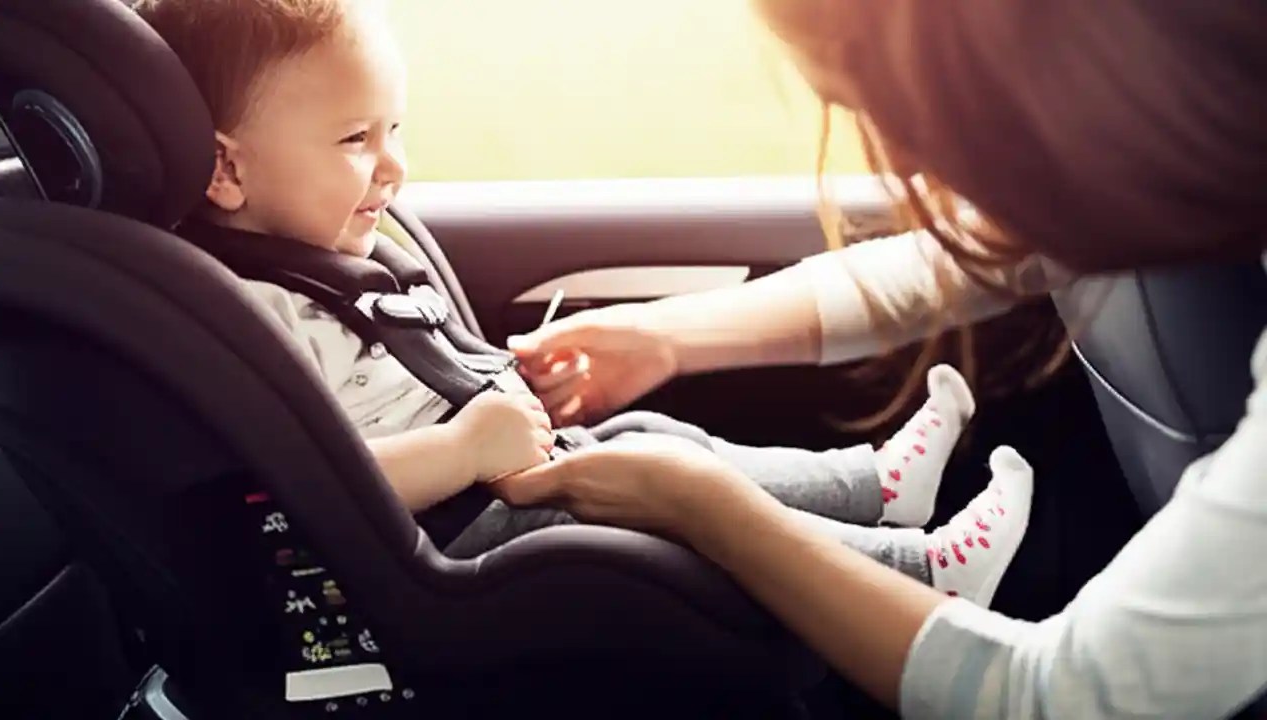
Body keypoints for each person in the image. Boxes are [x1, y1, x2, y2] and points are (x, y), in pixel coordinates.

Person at [494, 1, 1267, 718]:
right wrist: (667, 337)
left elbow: (1058, 699)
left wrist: (706, 509)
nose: (912, 170)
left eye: (903, 121)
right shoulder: (1131, 156)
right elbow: (974, 259)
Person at [133, 0, 1035, 605]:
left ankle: (872, 487)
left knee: (659, 444)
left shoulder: (324, 266)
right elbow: (291, 489)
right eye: (354, 139)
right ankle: (918, 575)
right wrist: (461, 446)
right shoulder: (247, 318)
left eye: (395, 130)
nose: (396, 167)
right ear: (225, 168)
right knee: (669, 516)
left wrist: (489, 388)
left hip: (485, 479)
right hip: (447, 537)